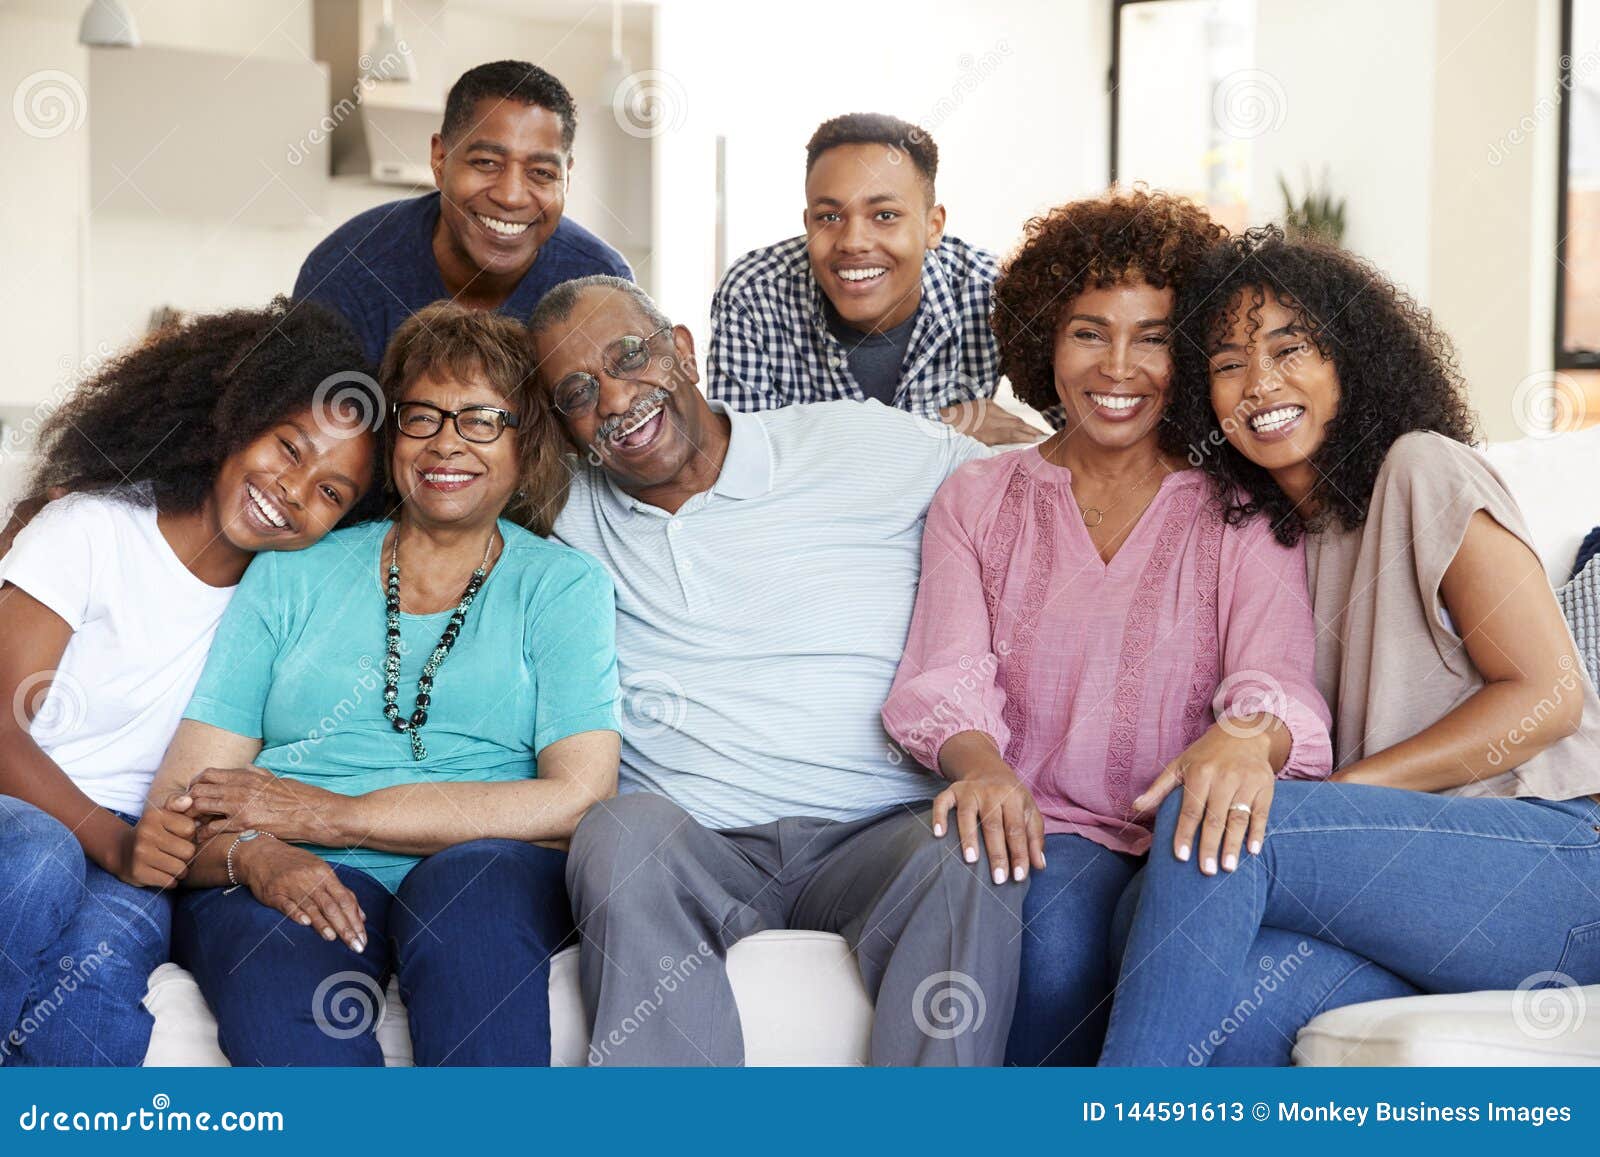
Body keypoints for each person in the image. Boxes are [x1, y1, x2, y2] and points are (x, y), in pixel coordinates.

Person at [1099, 228, 1600, 1066]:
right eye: (1227, 364)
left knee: (1216, 816)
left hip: (1553, 864)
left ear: (1351, 360)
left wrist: (1345, 795)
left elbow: (1550, 695)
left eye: (1290, 349)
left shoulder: (1421, 469)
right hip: (1409, 898)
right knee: (1205, 982)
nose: (1260, 384)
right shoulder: (1268, 540)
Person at [880, 190, 1336, 1068]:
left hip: (1190, 839)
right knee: (1044, 948)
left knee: (1157, 936)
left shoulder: (1239, 506)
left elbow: (1275, 678)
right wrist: (982, 772)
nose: (1118, 367)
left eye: (1154, 337)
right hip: (1042, 831)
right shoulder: (980, 496)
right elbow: (943, 675)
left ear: (1191, 350)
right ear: (1045, 343)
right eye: (1089, 332)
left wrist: (1245, 738)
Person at [529, 274, 1023, 1066]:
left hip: (881, 832)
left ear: (683, 351)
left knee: (969, 843)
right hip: (703, 843)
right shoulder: (562, 514)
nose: (616, 398)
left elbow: (1039, 491)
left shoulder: (855, 442)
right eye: (579, 391)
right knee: (618, 830)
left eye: (629, 356)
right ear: (564, 428)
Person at [149, 303, 620, 1066]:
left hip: (483, 860)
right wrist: (259, 856)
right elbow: (181, 805)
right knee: (276, 974)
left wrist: (341, 815)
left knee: (471, 912)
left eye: (480, 420)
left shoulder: (564, 586)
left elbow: (580, 796)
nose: (446, 442)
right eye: (423, 415)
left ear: (524, 440)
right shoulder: (289, 572)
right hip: (291, 857)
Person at [0, 300, 381, 1066]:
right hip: (28, 809)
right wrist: (112, 839)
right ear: (235, 420)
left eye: (333, 492)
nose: (296, 488)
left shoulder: (285, 603)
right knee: (42, 859)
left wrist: (155, 848)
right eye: (288, 446)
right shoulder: (95, 528)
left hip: (145, 856)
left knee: (99, 973)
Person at [707, 112, 1046, 445]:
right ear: (808, 223)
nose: (853, 242)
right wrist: (936, 427)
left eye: (885, 215)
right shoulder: (753, 294)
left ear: (933, 226)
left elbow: (1087, 424)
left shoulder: (992, 292)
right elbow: (745, 465)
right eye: (829, 217)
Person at [294, 60, 632, 364]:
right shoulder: (344, 274)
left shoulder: (601, 283)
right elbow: (311, 425)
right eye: (486, 163)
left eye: (541, 172)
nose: (511, 196)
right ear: (440, 160)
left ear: (567, 178)